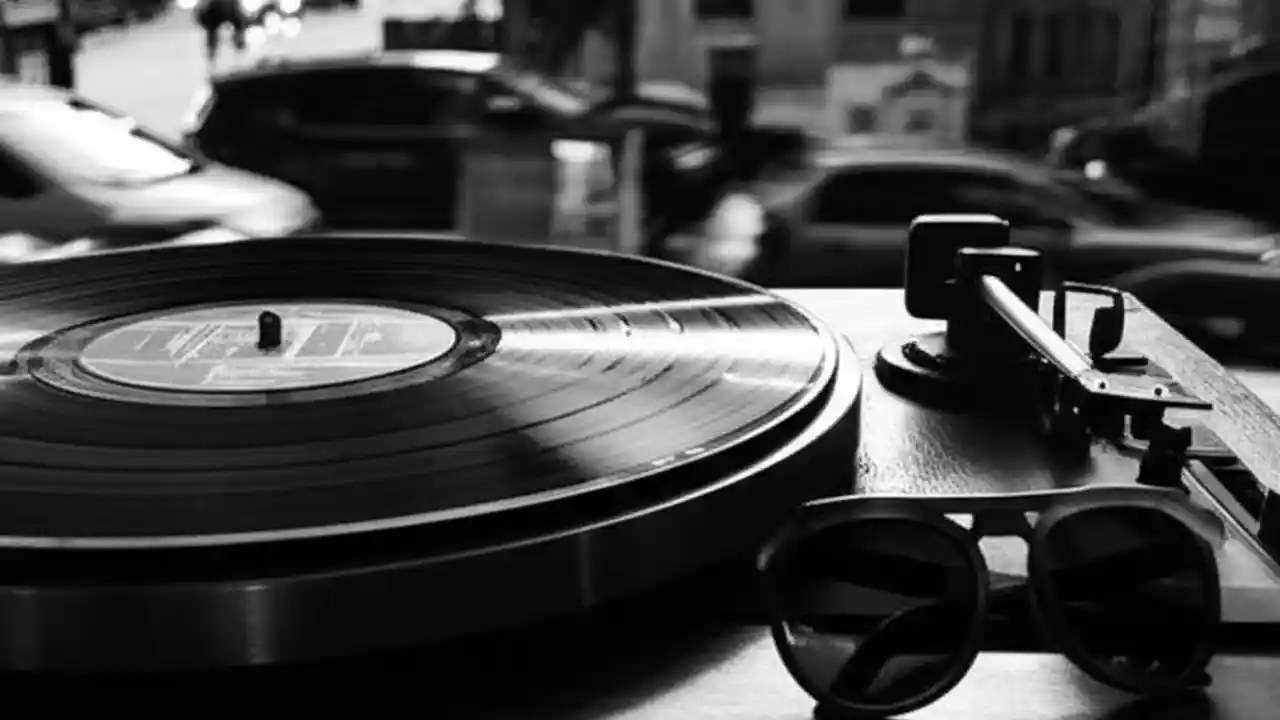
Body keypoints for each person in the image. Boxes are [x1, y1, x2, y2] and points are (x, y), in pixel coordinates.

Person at [195, 0, 248, 72]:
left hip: (213, 13)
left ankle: (212, 61)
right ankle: (212, 63)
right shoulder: (229, 11)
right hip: (211, 12)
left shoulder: (234, 14)